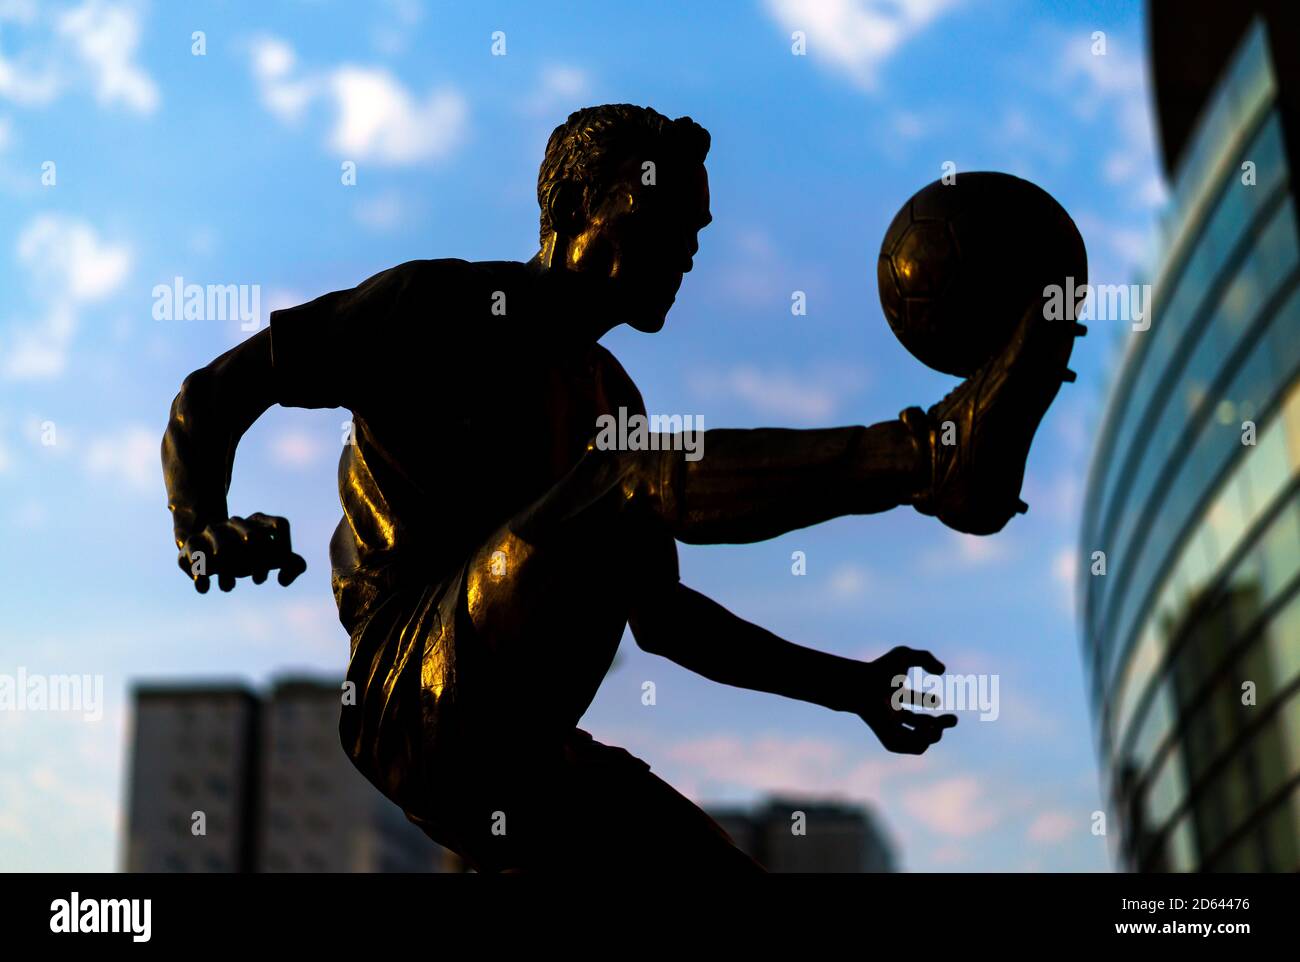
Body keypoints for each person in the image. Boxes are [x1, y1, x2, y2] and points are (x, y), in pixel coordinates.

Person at [160, 103, 1078, 872]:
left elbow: (666, 618)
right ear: (581, 206)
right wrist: (201, 525)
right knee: (627, 475)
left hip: (533, 764)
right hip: (418, 696)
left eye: (696, 233)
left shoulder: (609, 396)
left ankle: (937, 461)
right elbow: (214, 396)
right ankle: (931, 458)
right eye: (666, 221)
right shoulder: (434, 309)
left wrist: (854, 690)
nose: (686, 250)